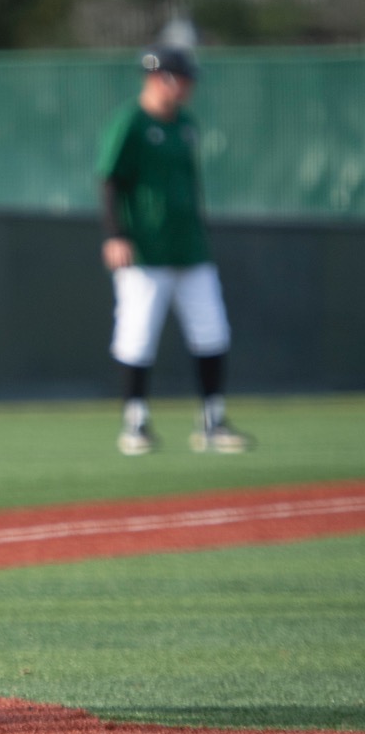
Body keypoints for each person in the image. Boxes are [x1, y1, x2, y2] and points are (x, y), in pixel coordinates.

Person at [98, 45, 250, 456]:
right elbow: (110, 180)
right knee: (138, 333)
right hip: (146, 251)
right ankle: (136, 422)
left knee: (212, 331)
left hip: (191, 248)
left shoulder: (186, 123)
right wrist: (116, 234)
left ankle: (213, 421)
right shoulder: (130, 121)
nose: (188, 86)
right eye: (182, 78)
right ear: (160, 77)